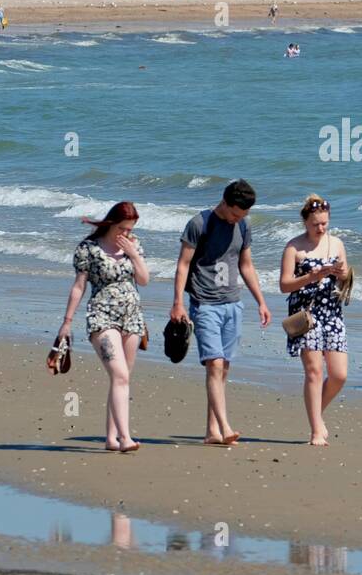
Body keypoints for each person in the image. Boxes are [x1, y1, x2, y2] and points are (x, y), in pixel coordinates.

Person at [171, 179, 272, 446]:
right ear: (225, 203)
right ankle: (226, 427)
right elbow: (183, 265)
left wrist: (261, 301)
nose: (238, 219)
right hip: (204, 304)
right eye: (236, 214)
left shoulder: (244, 225)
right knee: (214, 364)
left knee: (222, 369)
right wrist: (178, 303)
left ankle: (212, 431)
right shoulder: (199, 224)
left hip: (233, 304)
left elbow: (246, 265)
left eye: (244, 214)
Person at [58, 201, 150, 453]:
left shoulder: (134, 244)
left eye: (130, 229)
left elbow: (144, 280)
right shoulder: (88, 248)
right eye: (122, 228)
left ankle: (111, 438)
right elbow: (79, 286)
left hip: (131, 316)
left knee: (122, 378)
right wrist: (67, 322)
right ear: (111, 223)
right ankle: (125, 438)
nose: (126, 233)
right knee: (120, 375)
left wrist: (133, 254)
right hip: (101, 315)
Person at [279, 196, 351, 446]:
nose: (320, 228)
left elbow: (345, 278)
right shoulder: (294, 247)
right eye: (315, 224)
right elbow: (284, 285)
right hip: (306, 315)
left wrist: (343, 274)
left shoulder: (337, 243)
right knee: (314, 371)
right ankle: (316, 431)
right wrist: (311, 277)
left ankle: (315, 414)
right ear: (305, 222)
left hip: (332, 312)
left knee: (339, 375)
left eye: (324, 224)